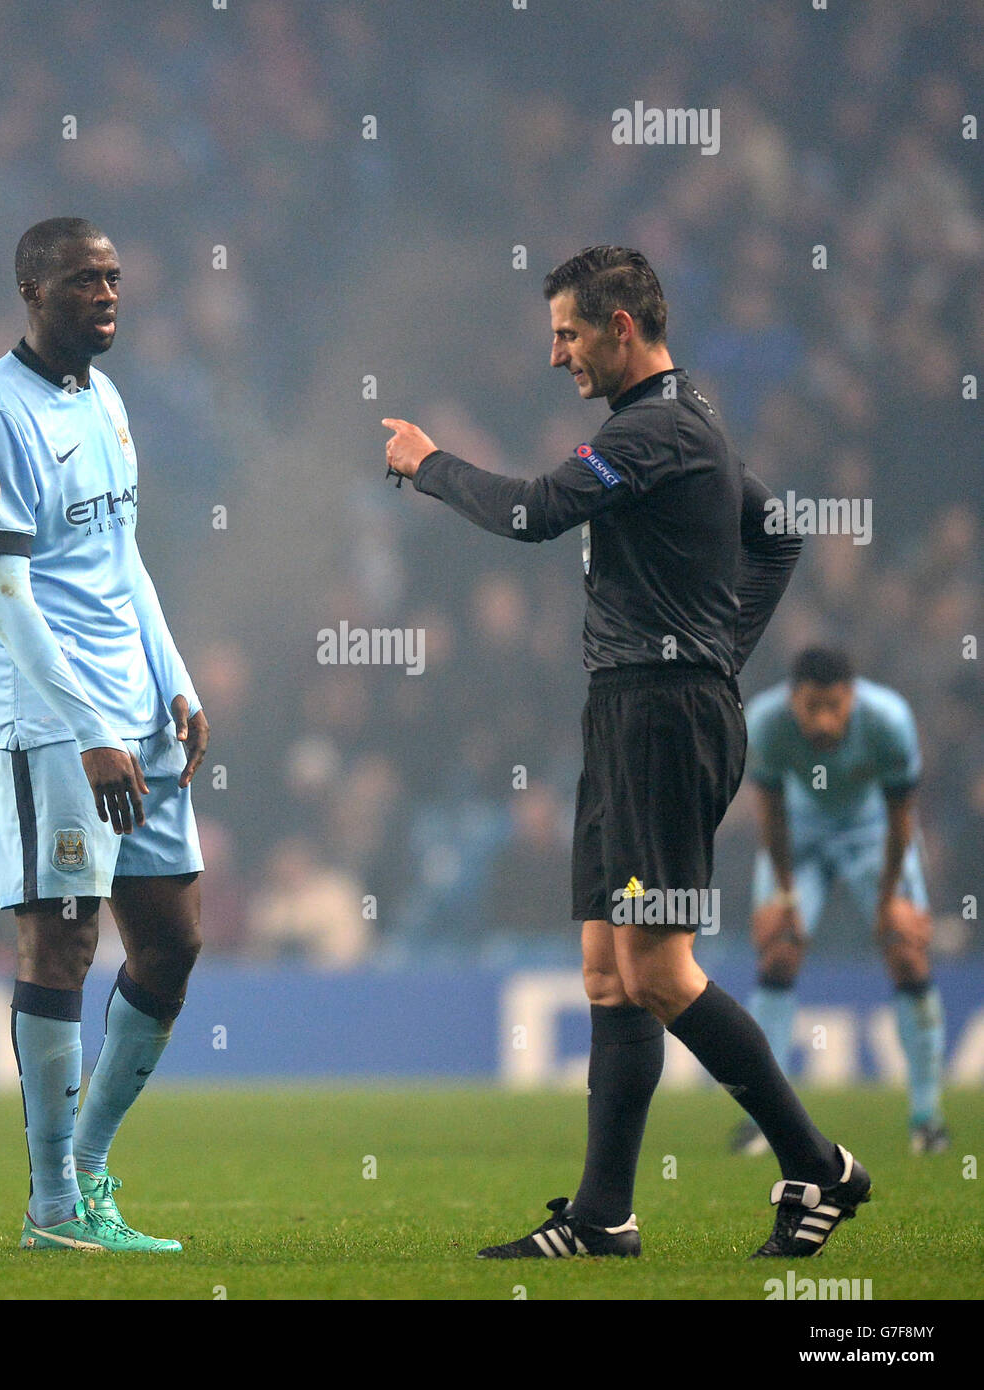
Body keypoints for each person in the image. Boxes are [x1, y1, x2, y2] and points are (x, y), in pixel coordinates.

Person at [382, 244, 871, 1259]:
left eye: (566, 333)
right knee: (607, 969)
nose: (555, 354)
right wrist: (718, 645)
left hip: (664, 721)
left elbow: (532, 512)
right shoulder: (686, 422)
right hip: (632, 710)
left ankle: (818, 1166)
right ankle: (603, 1217)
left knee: (657, 969)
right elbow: (780, 532)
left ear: (618, 326)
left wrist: (430, 466)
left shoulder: (655, 430)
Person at [0, 217, 208, 1253]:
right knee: (62, 935)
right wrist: (90, 724)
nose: (105, 295)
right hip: (44, 715)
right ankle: (51, 1204)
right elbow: (3, 596)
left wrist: (173, 676)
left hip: (133, 709)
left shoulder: (105, 398)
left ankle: (88, 1168)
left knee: (173, 940)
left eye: (113, 278)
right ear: (31, 289)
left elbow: (122, 555)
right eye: (82, 280)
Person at [735, 645, 947, 1156]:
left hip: (873, 837)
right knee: (779, 950)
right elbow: (771, 815)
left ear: (852, 697)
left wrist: (890, 900)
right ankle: (763, 1121)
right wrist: (785, 895)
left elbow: (901, 818)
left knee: (906, 949)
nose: (823, 720)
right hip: (799, 838)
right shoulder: (765, 723)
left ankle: (927, 1119)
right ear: (793, 699)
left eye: (834, 706)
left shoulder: (889, 720)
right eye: (812, 707)